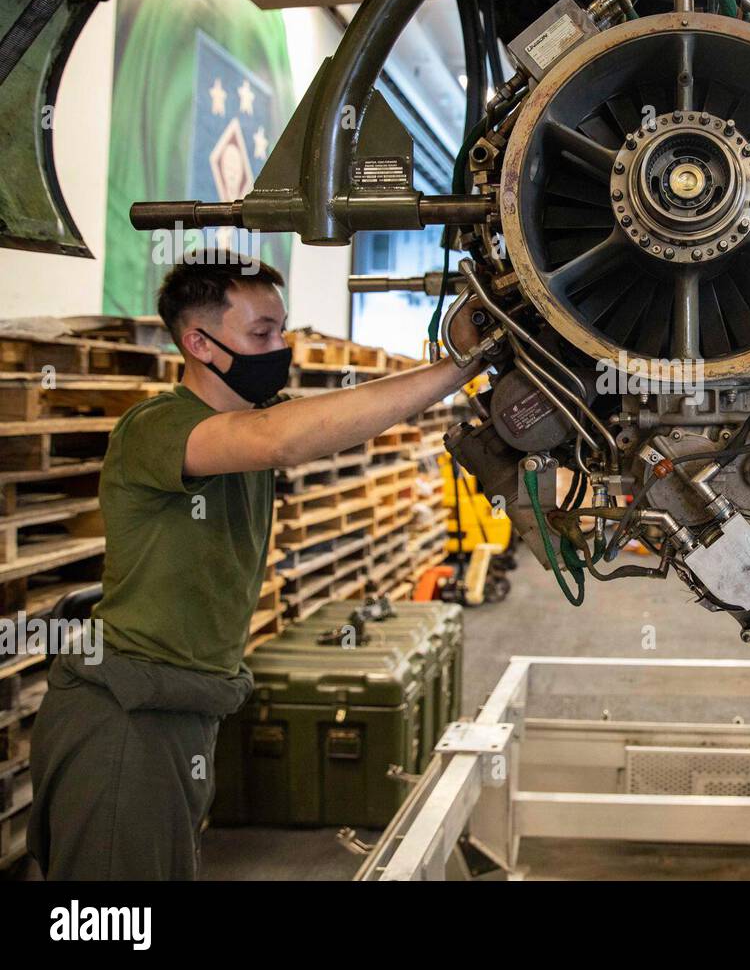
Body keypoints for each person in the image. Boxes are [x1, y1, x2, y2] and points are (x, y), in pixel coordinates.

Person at [28, 248, 483, 880]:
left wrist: (471, 336)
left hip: (186, 706)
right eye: (262, 333)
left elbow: (339, 420)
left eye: (283, 329)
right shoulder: (158, 427)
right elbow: (282, 438)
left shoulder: (251, 414)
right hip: (127, 716)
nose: (282, 346)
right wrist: (460, 370)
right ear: (200, 343)